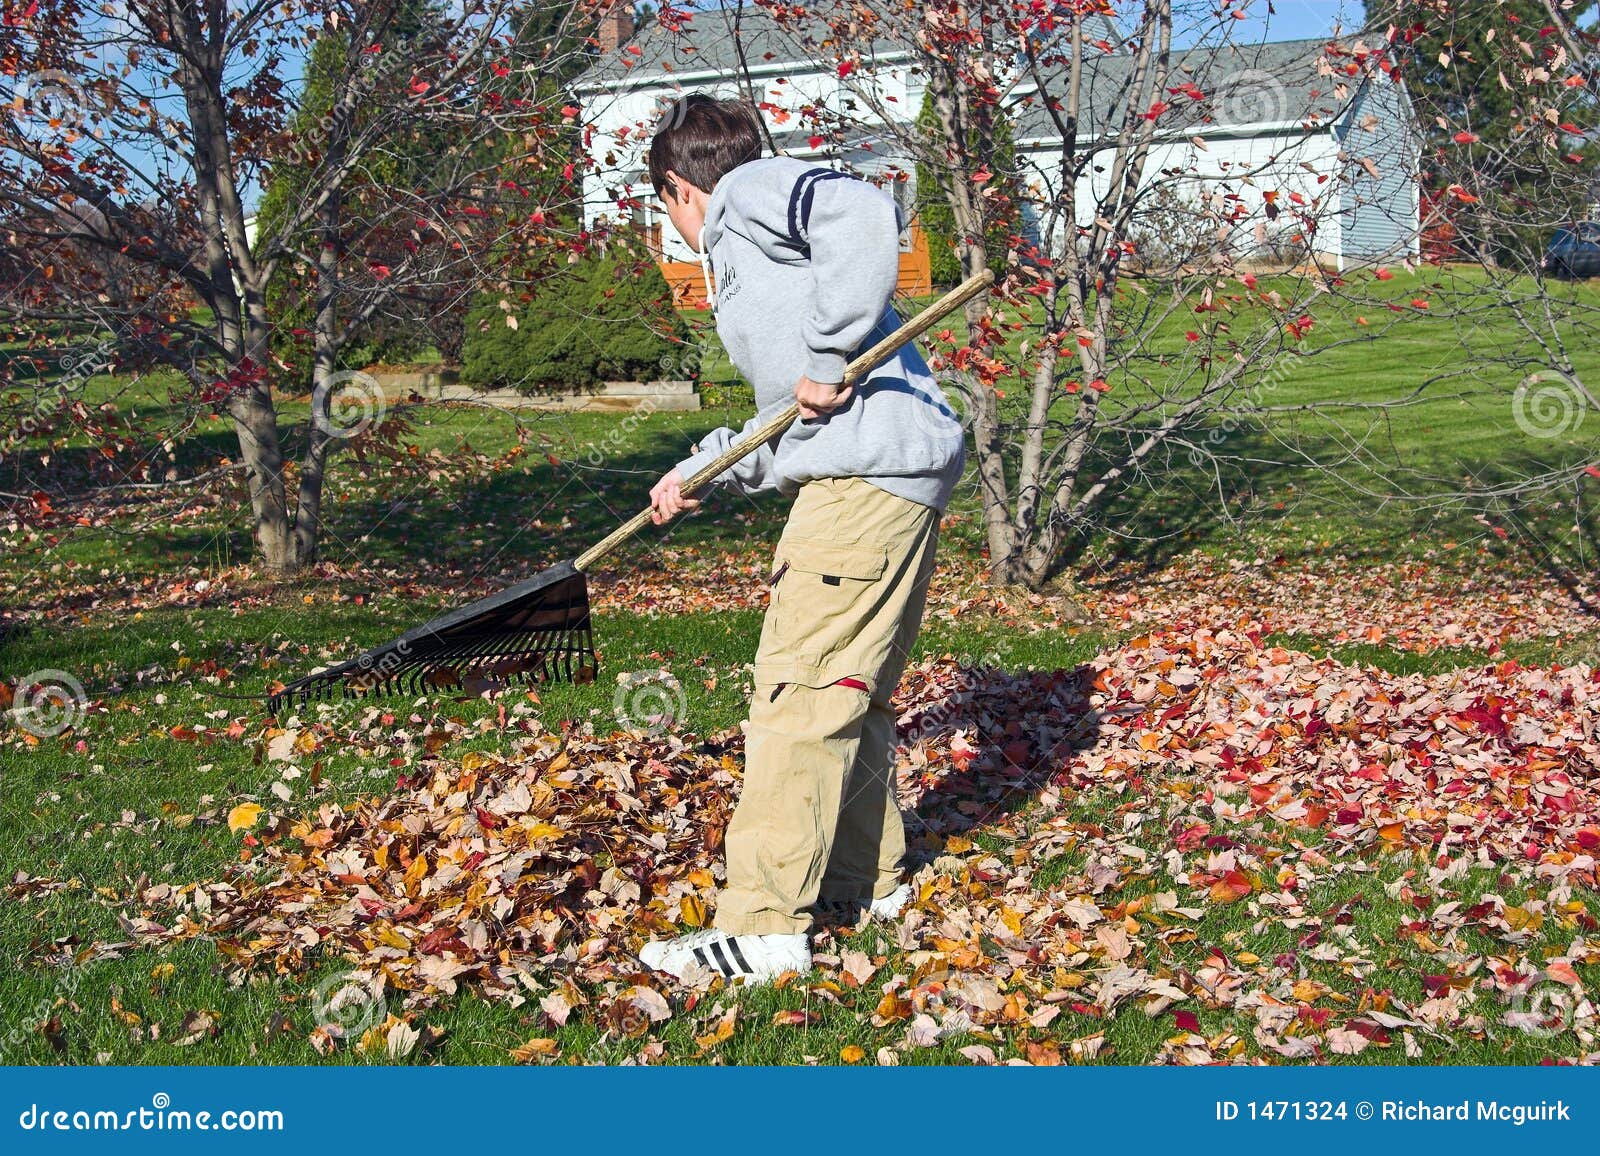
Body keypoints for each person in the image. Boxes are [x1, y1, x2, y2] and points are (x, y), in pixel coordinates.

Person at [637, 95, 966, 983]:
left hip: (863, 482)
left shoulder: (745, 196)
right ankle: (871, 880)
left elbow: (864, 211)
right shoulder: (754, 253)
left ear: (678, 188)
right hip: (885, 471)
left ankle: (761, 927)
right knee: (847, 693)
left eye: (663, 206)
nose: (671, 226)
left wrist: (826, 359)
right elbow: (782, 421)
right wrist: (697, 472)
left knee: (797, 696)